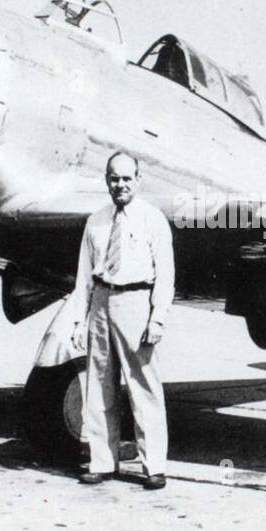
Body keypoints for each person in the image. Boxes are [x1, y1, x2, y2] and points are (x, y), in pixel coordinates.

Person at [70, 151, 174, 489]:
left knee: (143, 387)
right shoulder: (96, 221)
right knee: (99, 386)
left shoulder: (153, 219)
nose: (121, 185)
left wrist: (157, 319)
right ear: (106, 181)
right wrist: (77, 321)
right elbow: (83, 276)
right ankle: (102, 462)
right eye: (114, 178)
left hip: (136, 301)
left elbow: (166, 275)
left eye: (127, 178)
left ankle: (153, 466)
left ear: (138, 180)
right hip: (101, 299)